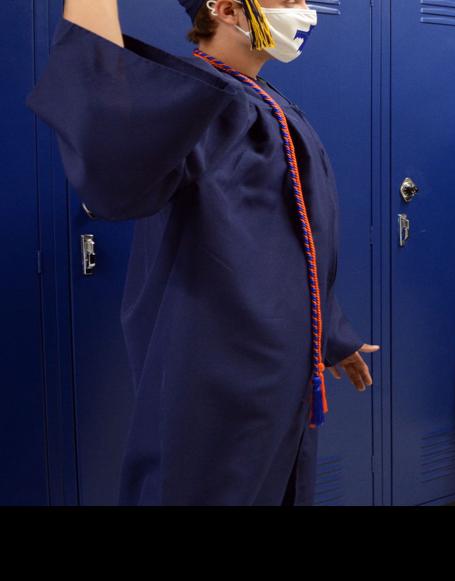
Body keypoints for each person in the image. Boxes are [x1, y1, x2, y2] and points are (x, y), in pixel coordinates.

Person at [25, 0, 376, 505]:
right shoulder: (194, 102)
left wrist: (330, 335)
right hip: (217, 369)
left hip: (279, 374)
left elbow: (292, 238)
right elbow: (109, 141)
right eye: (286, 1)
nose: (303, 9)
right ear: (230, 10)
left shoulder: (264, 99)